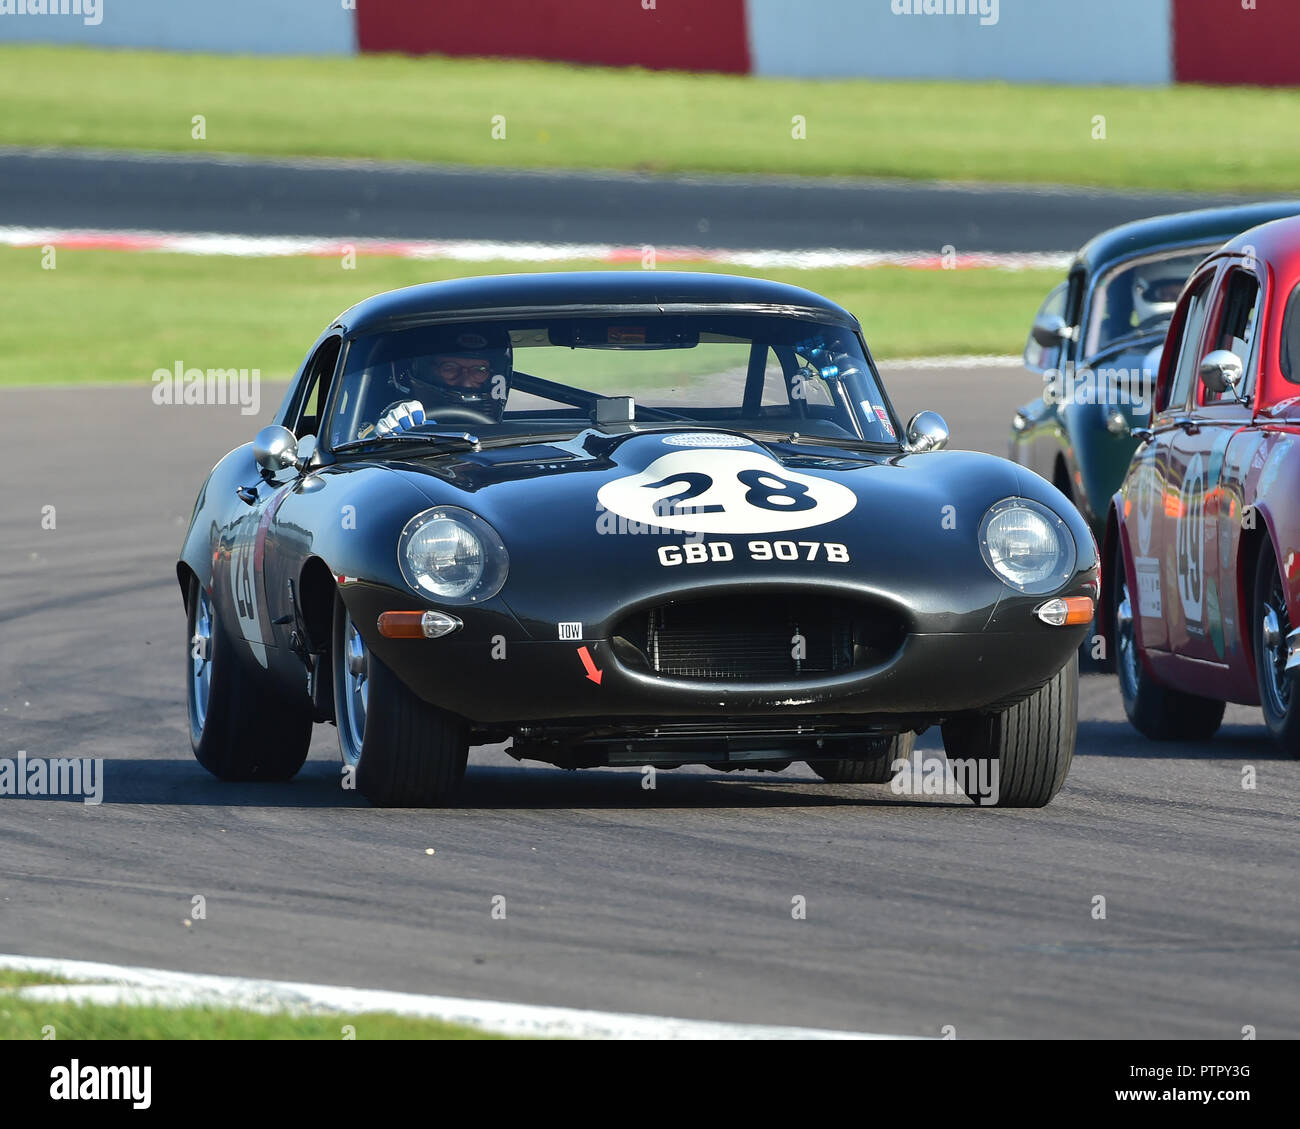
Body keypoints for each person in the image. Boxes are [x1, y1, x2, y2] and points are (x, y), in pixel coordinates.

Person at [373, 329, 512, 436]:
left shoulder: (515, 440)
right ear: (427, 371)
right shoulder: (403, 422)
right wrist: (387, 442)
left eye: (479, 370)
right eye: (450, 368)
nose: (466, 383)